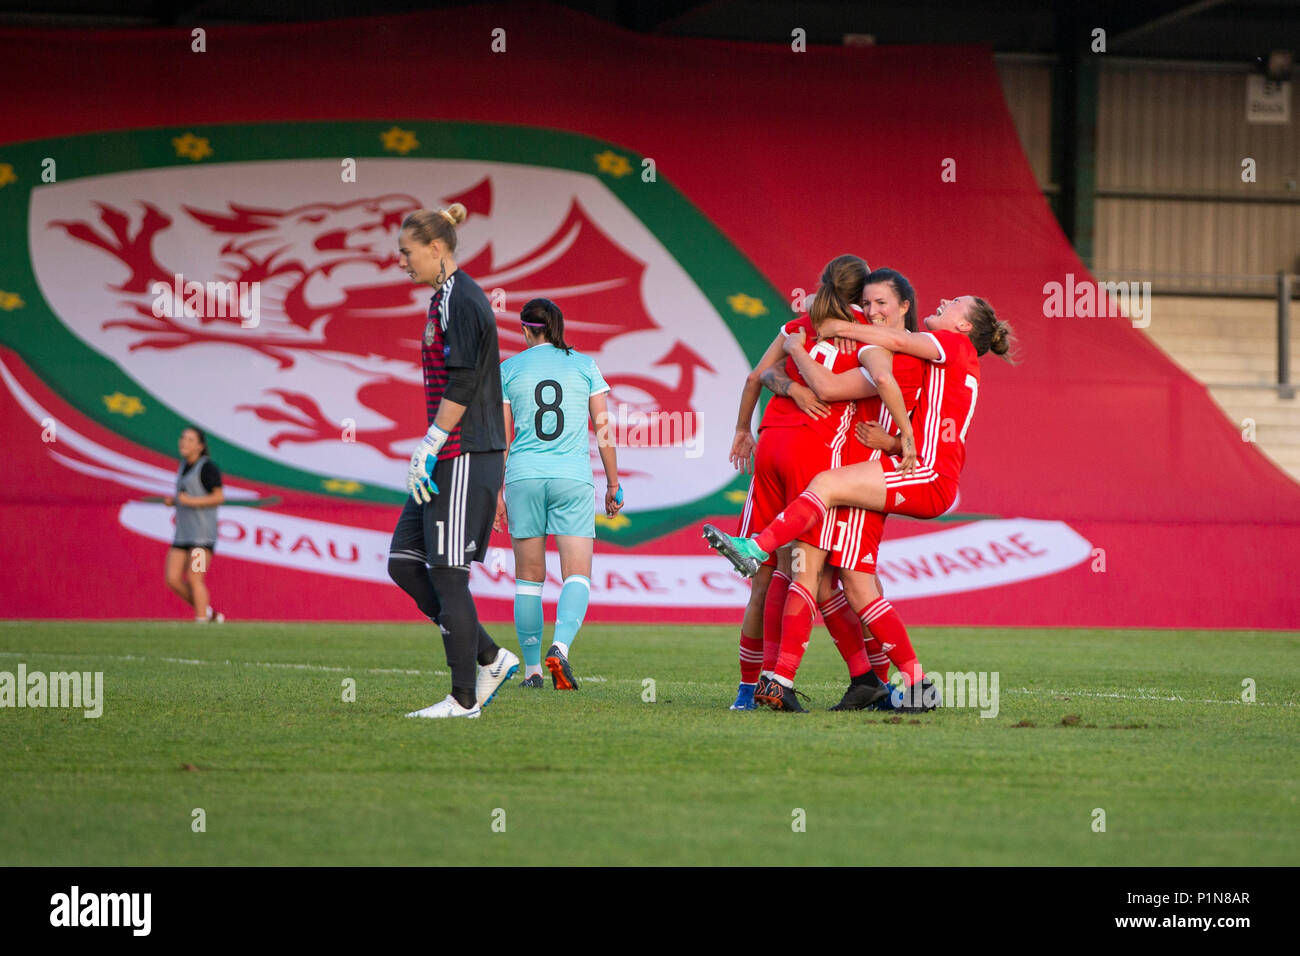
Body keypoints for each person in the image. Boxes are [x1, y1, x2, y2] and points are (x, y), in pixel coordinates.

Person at [706, 297, 1014, 607]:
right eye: (867, 301)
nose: (946, 300)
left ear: (964, 326)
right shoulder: (936, 362)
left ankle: (756, 549)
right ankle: (892, 659)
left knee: (824, 563)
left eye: (957, 302)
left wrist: (835, 329)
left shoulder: (949, 345)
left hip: (923, 472)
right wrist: (894, 442)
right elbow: (935, 432)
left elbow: (865, 366)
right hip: (900, 465)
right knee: (845, 582)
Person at [721, 255, 897, 712]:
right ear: (862, 297)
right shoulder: (867, 332)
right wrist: (902, 441)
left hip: (769, 449)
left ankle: (749, 690)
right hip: (821, 462)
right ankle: (815, 679)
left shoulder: (797, 324)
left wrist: (744, 428)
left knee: (771, 579)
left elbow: (756, 375)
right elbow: (844, 386)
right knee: (825, 573)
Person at [389, 202, 518, 720]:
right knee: (404, 562)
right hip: (448, 452)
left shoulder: (460, 300)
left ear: (436, 249)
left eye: (406, 252)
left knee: (448, 573)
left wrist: (431, 442)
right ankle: (489, 654)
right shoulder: (442, 297)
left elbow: (463, 382)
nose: (401, 262)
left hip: (465, 451)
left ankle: (464, 699)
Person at [783, 268, 931, 710]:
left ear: (905, 305)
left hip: (865, 476)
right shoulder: (885, 345)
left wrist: (899, 438)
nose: (873, 311)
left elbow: (829, 388)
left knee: (853, 581)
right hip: (858, 474)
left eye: (882, 303)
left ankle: (907, 683)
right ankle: (869, 679)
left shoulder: (895, 353)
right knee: (836, 581)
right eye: (866, 304)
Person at [493, 298, 623, 690]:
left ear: (525, 329)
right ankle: (561, 648)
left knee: (528, 579)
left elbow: (501, 438)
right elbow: (603, 430)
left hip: (523, 477)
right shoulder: (584, 366)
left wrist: (497, 492)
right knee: (577, 575)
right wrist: (613, 484)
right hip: (571, 477)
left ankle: (532, 670)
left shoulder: (508, 369)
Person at [163, 425, 225, 623]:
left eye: (190, 440)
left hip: (201, 536)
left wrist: (191, 502)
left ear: (200, 446)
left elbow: (218, 497)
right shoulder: (183, 466)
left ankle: (201, 621)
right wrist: (175, 500)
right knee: (172, 578)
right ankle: (208, 613)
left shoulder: (207, 468)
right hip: (182, 534)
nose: (184, 442)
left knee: (194, 578)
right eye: (183, 438)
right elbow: (185, 494)